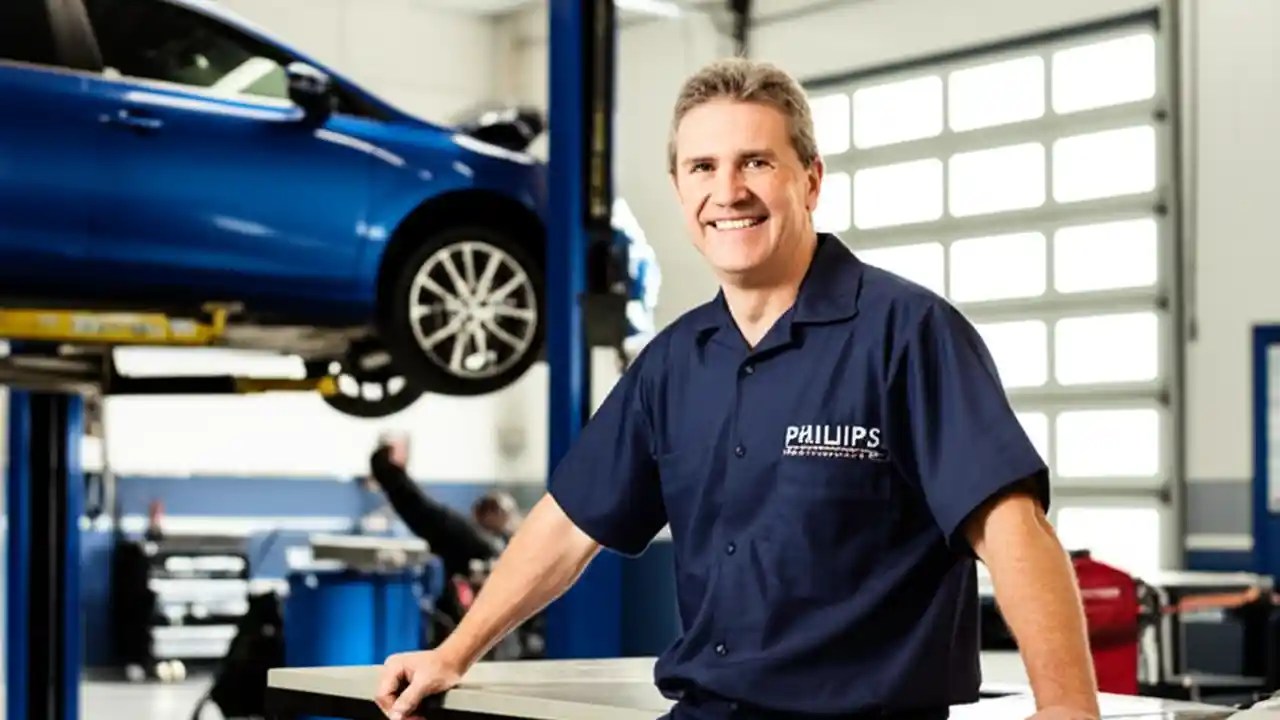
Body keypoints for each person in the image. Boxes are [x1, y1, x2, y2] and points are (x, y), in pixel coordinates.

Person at [375, 57, 1101, 720]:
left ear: (810, 179)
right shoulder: (673, 362)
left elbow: (1012, 528)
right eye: (703, 167)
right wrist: (453, 652)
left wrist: (1067, 705)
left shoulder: (907, 335)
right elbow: (566, 526)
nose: (728, 191)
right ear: (679, 189)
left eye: (756, 161)